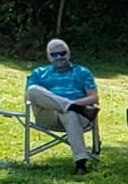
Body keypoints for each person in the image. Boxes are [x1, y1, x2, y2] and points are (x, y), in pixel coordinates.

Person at [24, 37, 99, 172]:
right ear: (49, 57)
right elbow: (28, 98)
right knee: (32, 90)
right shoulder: (39, 73)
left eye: (62, 53)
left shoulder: (82, 72)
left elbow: (94, 98)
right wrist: (66, 104)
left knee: (69, 113)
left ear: (68, 54)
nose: (59, 57)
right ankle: (70, 106)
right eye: (54, 54)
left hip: (78, 117)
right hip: (49, 116)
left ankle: (80, 163)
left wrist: (71, 106)